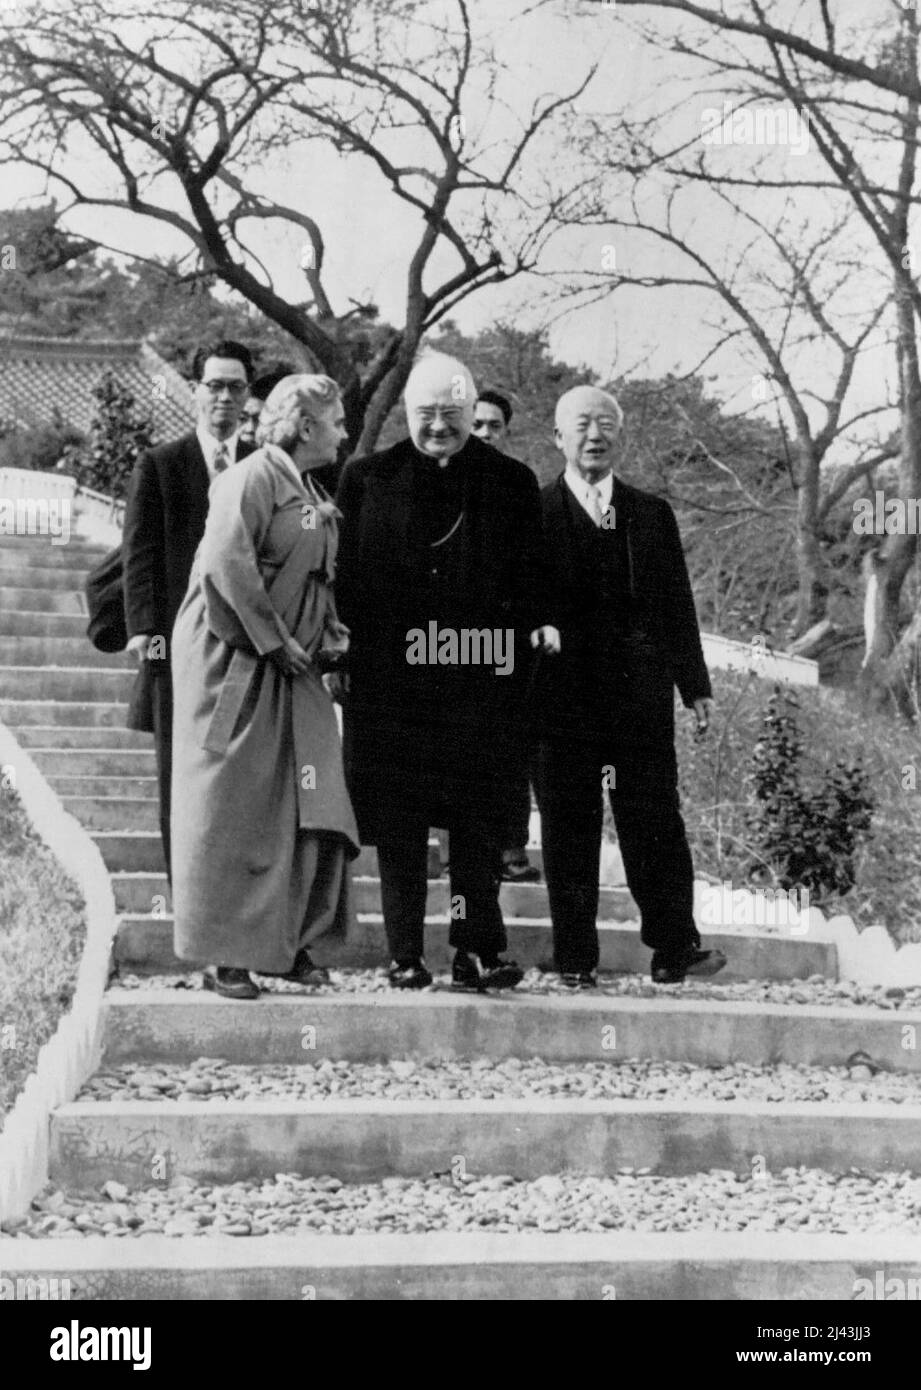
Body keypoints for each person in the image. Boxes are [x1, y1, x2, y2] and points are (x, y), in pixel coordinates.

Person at [335, 353, 557, 991]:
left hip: (479, 676)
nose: (439, 427)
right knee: (400, 824)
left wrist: (536, 627)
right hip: (392, 677)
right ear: (409, 413)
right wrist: (341, 656)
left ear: (471, 415)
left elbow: (533, 576)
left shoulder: (510, 482)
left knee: (477, 824)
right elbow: (344, 578)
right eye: (428, 415)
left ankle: (476, 948)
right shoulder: (368, 477)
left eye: (453, 416)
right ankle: (405, 951)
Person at [170, 375, 359, 1000]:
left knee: (313, 793)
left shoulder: (309, 488)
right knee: (234, 805)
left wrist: (328, 630)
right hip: (239, 660)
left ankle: (289, 942)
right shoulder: (249, 477)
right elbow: (227, 563)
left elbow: (313, 575)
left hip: (296, 667)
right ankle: (227, 953)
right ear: (307, 427)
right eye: (336, 422)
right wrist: (275, 641)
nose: (346, 432)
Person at [534, 384, 725, 989]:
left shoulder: (650, 513)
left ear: (621, 435)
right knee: (569, 823)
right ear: (559, 437)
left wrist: (694, 686)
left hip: (637, 696)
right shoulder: (532, 513)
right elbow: (512, 602)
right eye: (583, 425)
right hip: (560, 699)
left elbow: (677, 605)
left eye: (607, 425)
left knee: (653, 819)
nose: (596, 436)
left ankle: (674, 946)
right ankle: (574, 956)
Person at [122, 339, 256, 878]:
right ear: (195, 391)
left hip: (249, 649)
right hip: (179, 648)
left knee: (241, 778)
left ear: (248, 396)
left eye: (236, 387)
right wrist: (146, 637)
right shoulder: (160, 465)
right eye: (214, 385)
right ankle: (188, 903)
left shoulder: (264, 466)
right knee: (181, 777)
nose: (224, 397)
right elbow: (141, 554)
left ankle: (240, 909)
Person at [472, 389, 540, 884]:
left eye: (494, 425)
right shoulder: (440, 478)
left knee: (510, 746)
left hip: (506, 636)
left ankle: (512, 850)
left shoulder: (519, 484)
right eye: (477, 424)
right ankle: (461, 850)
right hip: (448, 639)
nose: (485, 434)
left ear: (506, 431)